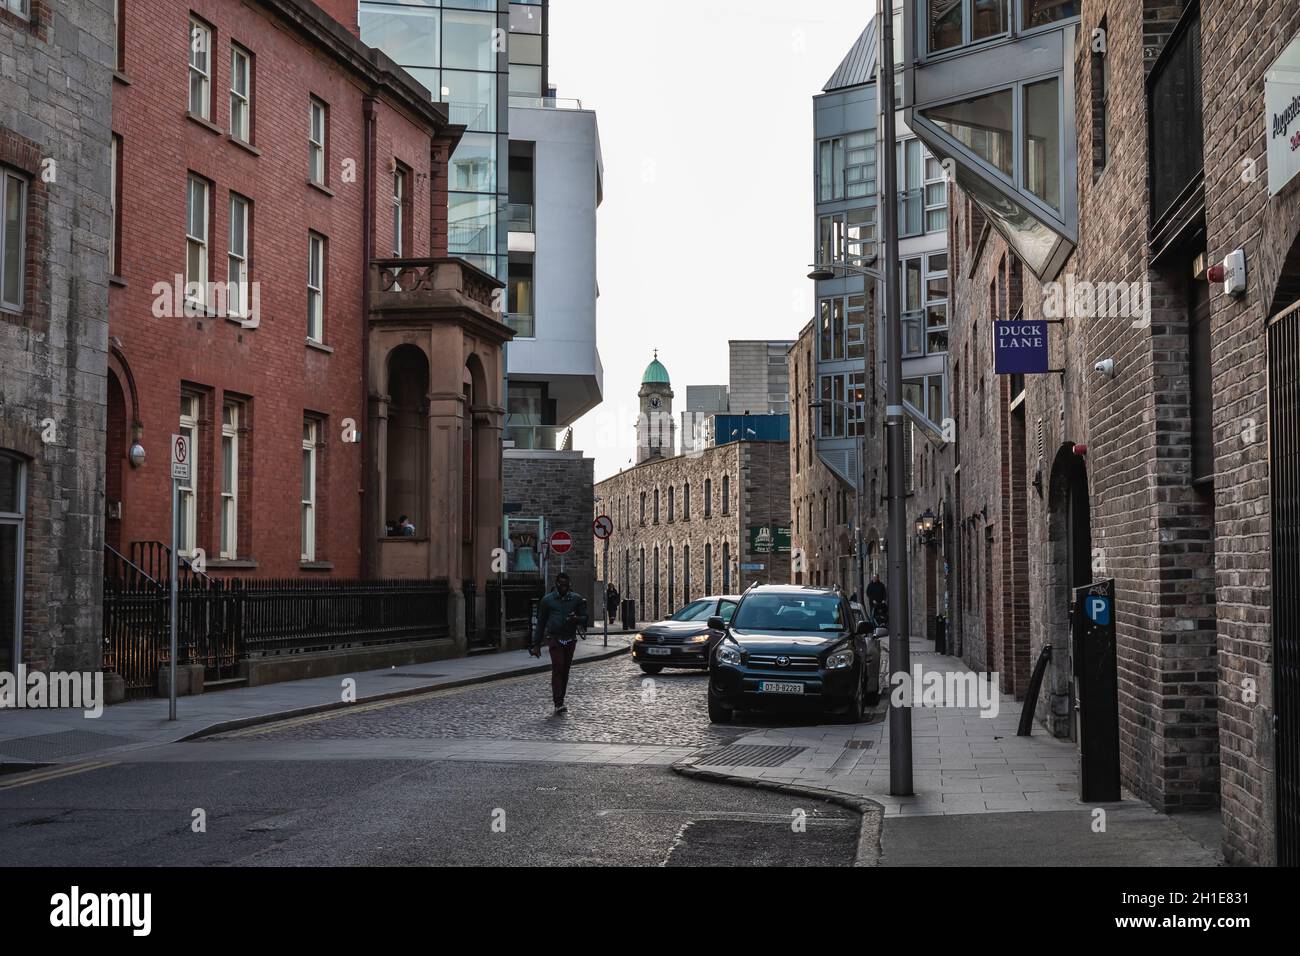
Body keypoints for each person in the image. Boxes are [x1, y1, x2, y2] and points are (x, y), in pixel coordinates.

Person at [530, 572, 589, 714]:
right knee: (558, 668)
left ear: (569, 585)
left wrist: (576, 619)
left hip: (570, 638)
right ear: (556, 584)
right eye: (561, 585)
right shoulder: (547, 600)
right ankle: (558, 702)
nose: (564, 588)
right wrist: (536, 644)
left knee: (565, 670)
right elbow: (541, 623)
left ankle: (561, 698)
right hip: (554, 638)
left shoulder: (576, 599)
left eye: (566, 585)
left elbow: (585, 618)